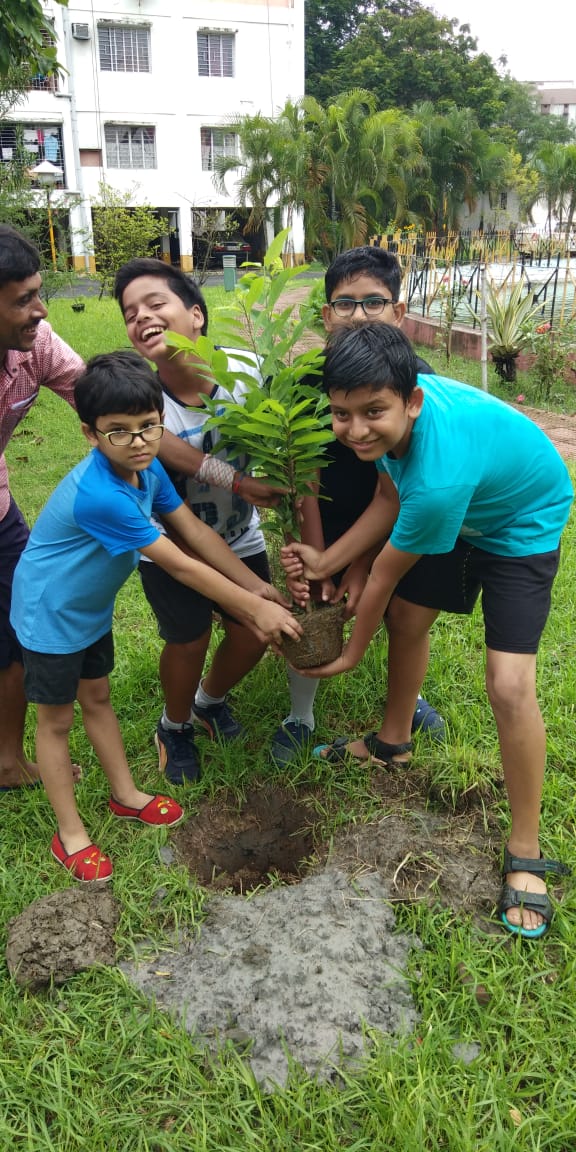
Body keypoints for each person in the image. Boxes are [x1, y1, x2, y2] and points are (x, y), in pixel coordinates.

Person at [281, 323, 572, 939]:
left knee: (509, 685)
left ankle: (525, 849)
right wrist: (327, 562)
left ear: (412, 400)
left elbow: (383, 576)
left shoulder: (437, 484)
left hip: (521, 521)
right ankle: (393, 742)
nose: (356, 430)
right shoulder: (397, 419)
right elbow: (389, 493)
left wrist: (349, 654)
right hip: (471, 497)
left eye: (372, 413)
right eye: (341, 413)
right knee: (413, 620)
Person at [10, 351, 301, 883]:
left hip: (89, 609)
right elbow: (181, 566)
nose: (138, 440)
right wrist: (254, 610)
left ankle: (126, 795)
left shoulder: (147, 471)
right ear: (88, 433)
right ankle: (70, 833)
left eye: (148, 426)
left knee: (96, 697)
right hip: (49, 614)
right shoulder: (102, 494)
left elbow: (194, 531)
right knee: (56, 721)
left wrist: (258, 586)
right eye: (118, 431)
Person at [114, 258, 288, 784]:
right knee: (187, 640)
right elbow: (163, 443)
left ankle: (208, 703)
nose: (141, 316)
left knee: (254, 633)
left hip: (237, 533)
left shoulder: (248, 371)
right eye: (129, 313)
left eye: (155, 303)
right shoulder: (141, 397)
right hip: (171, 545)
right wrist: (238, 481)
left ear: (196, 316)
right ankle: (175, 724)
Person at [270, 246, 445, 766]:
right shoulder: (303, 380)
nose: (359, 315)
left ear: (399, 311)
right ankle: (300, 716)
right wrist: (317, 557)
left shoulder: (420, 383)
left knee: (405, 611)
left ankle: (407, 698)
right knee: (311, 606)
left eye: (374, 302)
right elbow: (304, 477)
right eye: (345, 304)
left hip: (402, 515)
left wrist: (364, 564)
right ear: (326, 315)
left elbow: (396, 491)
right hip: (329, 513)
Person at [0, 224, 84, 792]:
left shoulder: (39, 345)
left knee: (20, 624)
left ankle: (6, 762)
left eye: (38, 292)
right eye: (24, 299)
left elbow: (107, 404)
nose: (40, 309)